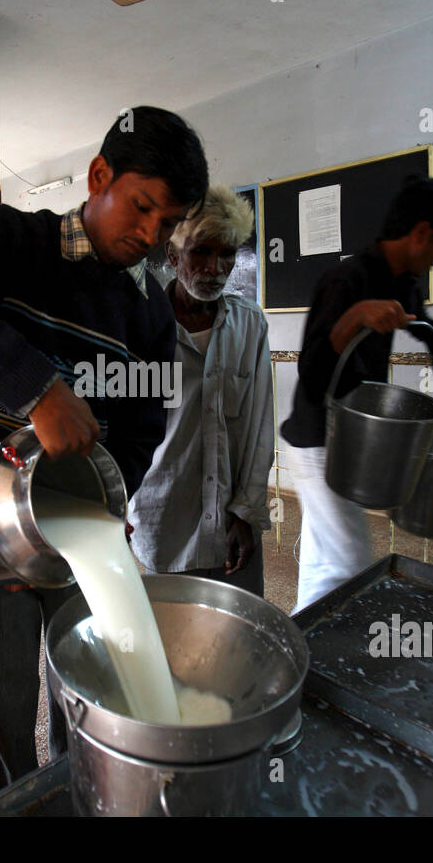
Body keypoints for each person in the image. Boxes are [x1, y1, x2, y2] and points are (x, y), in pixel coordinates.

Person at [0, 106, 208, 802]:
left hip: (78, 526)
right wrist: (38, 388)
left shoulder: (149, 314)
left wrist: (107, 504)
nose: (151, 235)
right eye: (141, 208)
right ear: (99, 176)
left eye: (169, 223)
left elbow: (143, 427)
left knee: (87, 705)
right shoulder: (13, 243)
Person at [279, 176, 433, 613]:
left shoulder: (402, 280)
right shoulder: (345, 279)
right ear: (421, 232)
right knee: (345, 565)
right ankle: (309, 650)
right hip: (319, 436)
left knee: (327, 555)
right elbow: (311, 373)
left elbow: (417, 317)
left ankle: (302, 639)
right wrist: (352, 319)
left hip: (351, 433)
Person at [127, 185, 273, 596]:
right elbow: (121, 429)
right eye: (200, 252)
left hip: (230, 522)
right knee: (173, 641)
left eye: (227, 253)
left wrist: (246, 511)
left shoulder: (250, 325)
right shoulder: (141, 327)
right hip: (160, 520)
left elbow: (259, 426)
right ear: (174, 258)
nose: (214, 268)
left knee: (235, 637)